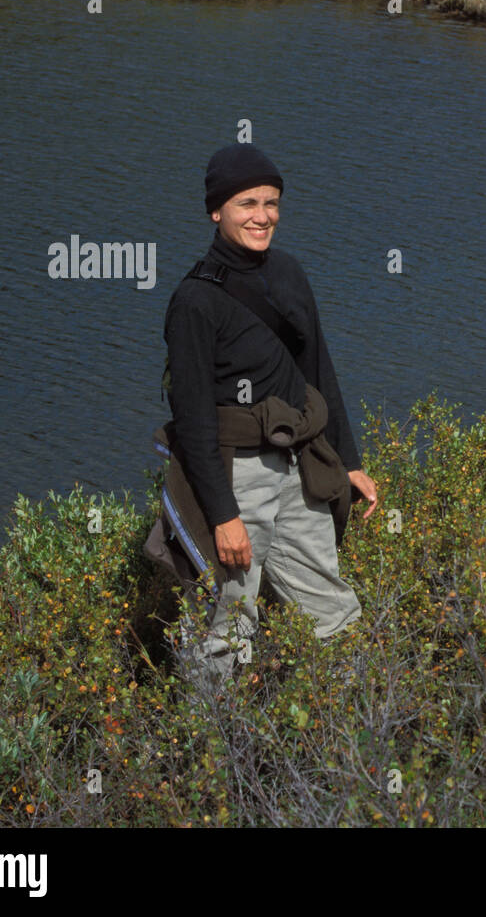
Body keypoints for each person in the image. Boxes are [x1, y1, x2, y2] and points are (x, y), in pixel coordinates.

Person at [158, 143, 377, 688]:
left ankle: (345, 736)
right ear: (216, 211)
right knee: (229, 624)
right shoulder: (194, 301)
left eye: (272, 203)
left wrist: (348, 462)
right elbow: (193, 421)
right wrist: (223, 513)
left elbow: (318, 371)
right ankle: (211, 755)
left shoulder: (288, 273)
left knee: (332, 609)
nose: (263, 216)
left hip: (301, 465)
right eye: (247, 203)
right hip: (239, 476)